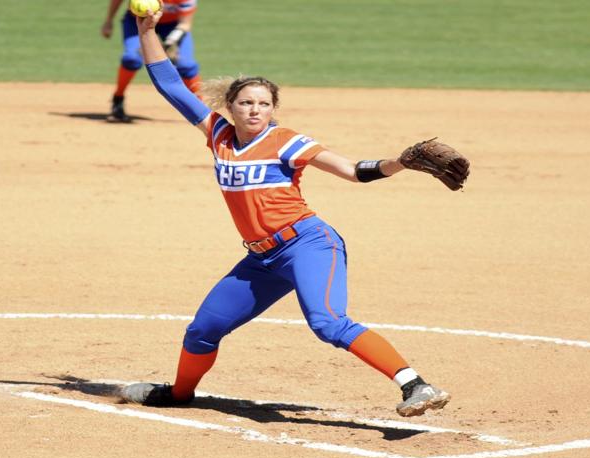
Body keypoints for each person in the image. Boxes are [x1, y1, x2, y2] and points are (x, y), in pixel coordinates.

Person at [117, 6, 470, 417]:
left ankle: (417, 385)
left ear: (273, 109)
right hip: (261, 258)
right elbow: (169, 84)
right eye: (246, 102)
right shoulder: (218, 134)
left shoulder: (286, 141)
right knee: (203, 329)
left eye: (263, 104)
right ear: (230, 106)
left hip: (308, 244)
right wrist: (146, 29)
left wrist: (400, 162)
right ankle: (179, 393)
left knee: (327, 322)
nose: (254, 110)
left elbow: (352, 170)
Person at [100, 0, 202, 123]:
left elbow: (185, 24)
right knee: (131, 59)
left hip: (172, 27)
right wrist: (109, 21)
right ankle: (118, 97)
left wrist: (170, 42)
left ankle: (202, 109)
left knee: (186, 65)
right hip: (138, 21)